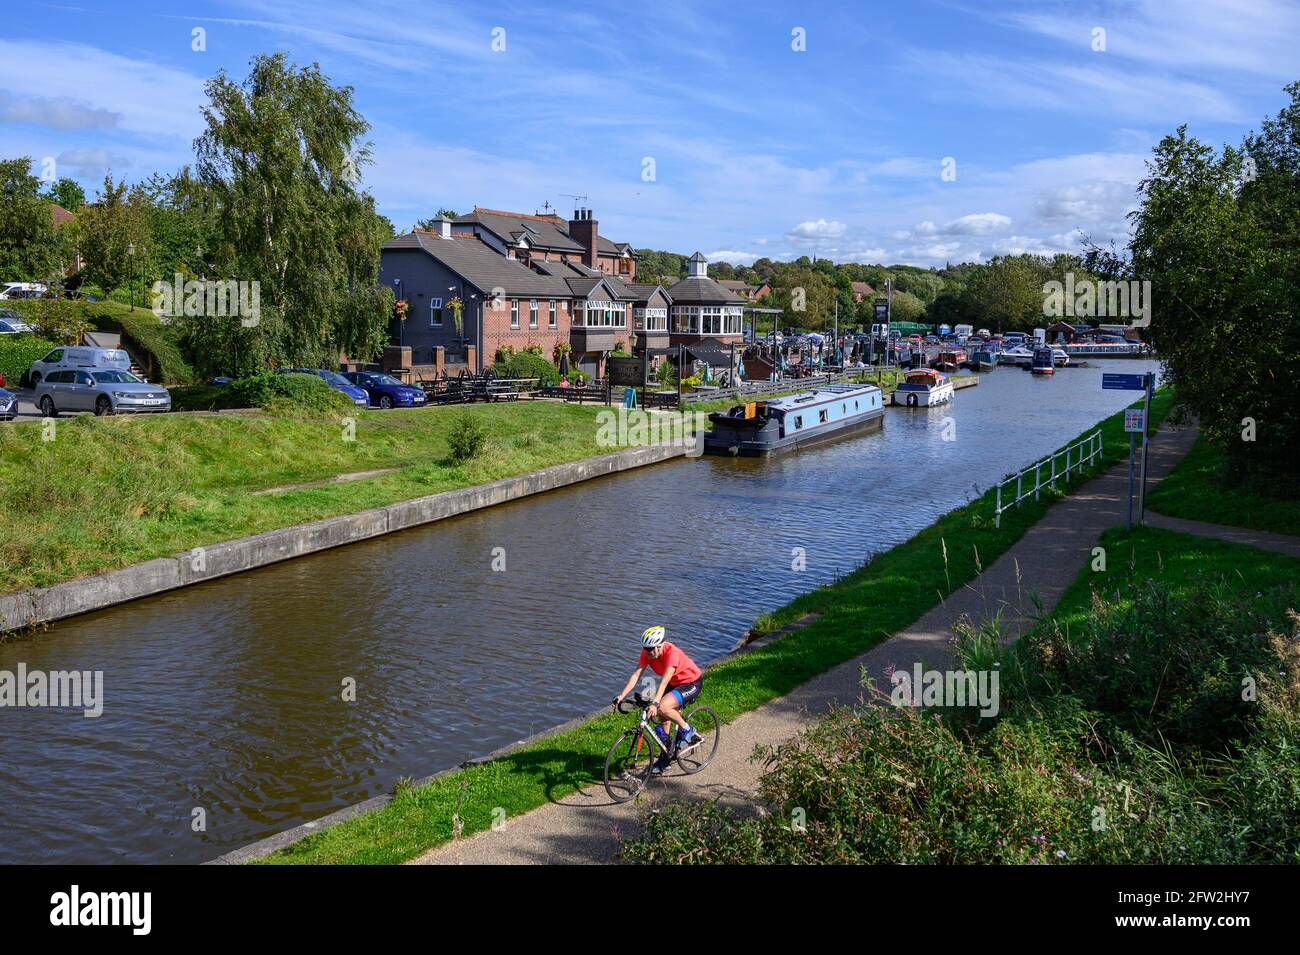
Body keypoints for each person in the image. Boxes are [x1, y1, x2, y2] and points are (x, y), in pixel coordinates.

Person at [613, 626, 704, 774]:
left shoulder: (672, 654)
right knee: (663, 717)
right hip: (674, 683)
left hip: (691, 682)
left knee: (662, 707)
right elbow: (636, 675)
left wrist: (655, 703)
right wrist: (621, 695)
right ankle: (666, 756)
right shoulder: (647, 653)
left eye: (651, 649)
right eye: (645, 649)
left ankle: (688, 729)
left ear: (660, 645)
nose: (647, 653)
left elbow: (663, 681)